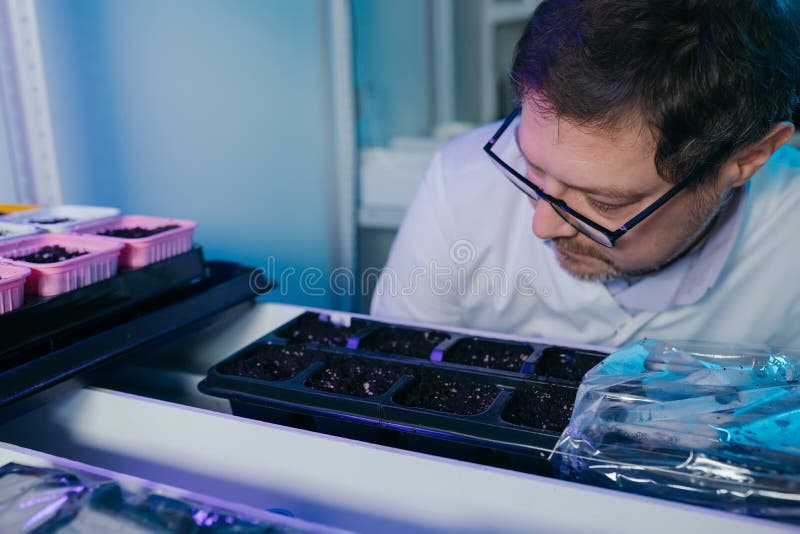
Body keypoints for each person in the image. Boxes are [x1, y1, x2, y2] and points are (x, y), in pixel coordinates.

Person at [370, 0, 800, 349]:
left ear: (748, 158)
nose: (542, 226)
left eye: (604, 202)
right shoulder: (460, 182)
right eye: (531, 166)